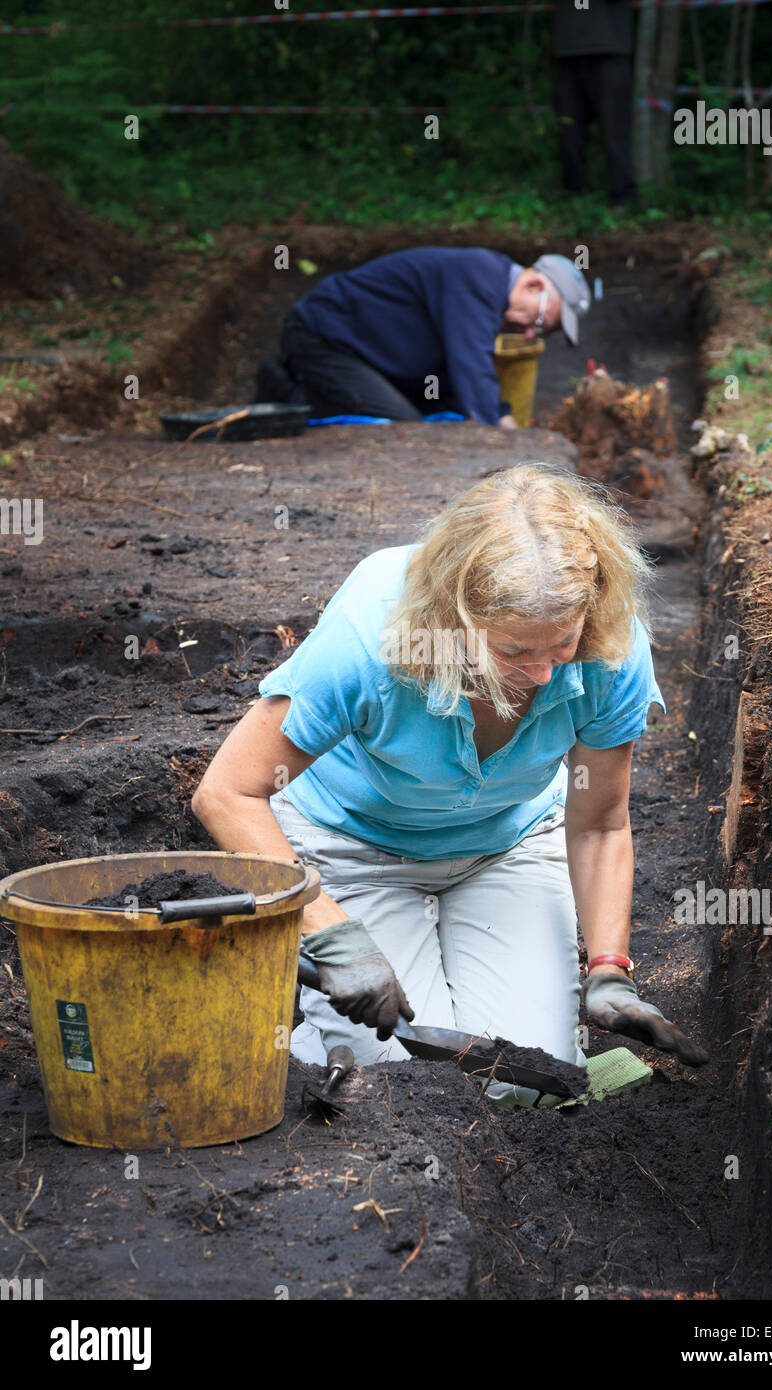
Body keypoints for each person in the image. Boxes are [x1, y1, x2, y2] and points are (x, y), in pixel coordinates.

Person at [191, 464, 708, 1106]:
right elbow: (228, 793)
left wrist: (608, 970)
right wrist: (331, 933)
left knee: (525, 1082)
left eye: (561, 645)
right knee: (405, 1079)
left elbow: (600, 823)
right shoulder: (372, 635)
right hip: (354, 849)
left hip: (504, 847)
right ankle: (304, 1023)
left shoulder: (611, 646)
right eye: (516, 651)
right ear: (456, 617)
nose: (544, 673)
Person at [256, 248, 590, 427]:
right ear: (533, 286)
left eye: (543, 332)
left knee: (443, 415)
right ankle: (291, 394)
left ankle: (307, 390)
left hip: (370, 357)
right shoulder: (479, 275)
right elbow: (471, 365)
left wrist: (498, 414)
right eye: (542, 321)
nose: (532, 333)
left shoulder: (485, 285)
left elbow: (466, 379)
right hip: (324, 337)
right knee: (405, 429)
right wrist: (505, 433)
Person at [552, 0, 639, 207]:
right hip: (567, 50)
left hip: (609, 50)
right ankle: (573, 195)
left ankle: (623, 198)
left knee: (614, 131)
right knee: (569, 131)